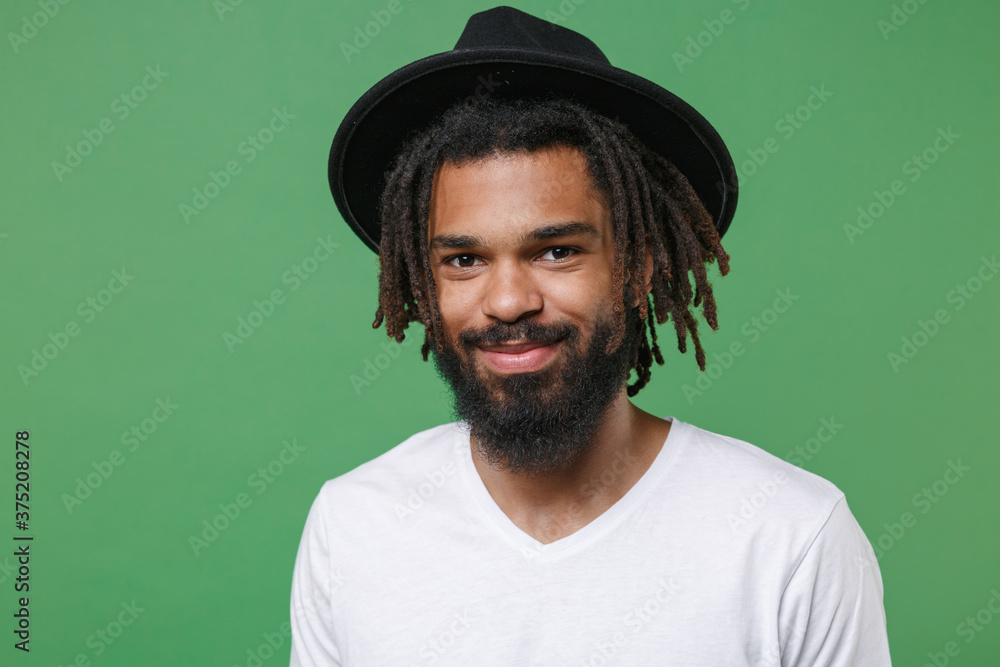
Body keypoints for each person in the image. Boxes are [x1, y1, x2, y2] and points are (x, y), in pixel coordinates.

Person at [290, 6, 891, 665]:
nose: (509, 300)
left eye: (556, 251)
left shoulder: (791, 536)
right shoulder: (353, 526)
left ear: (638, 267)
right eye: (464, 260)